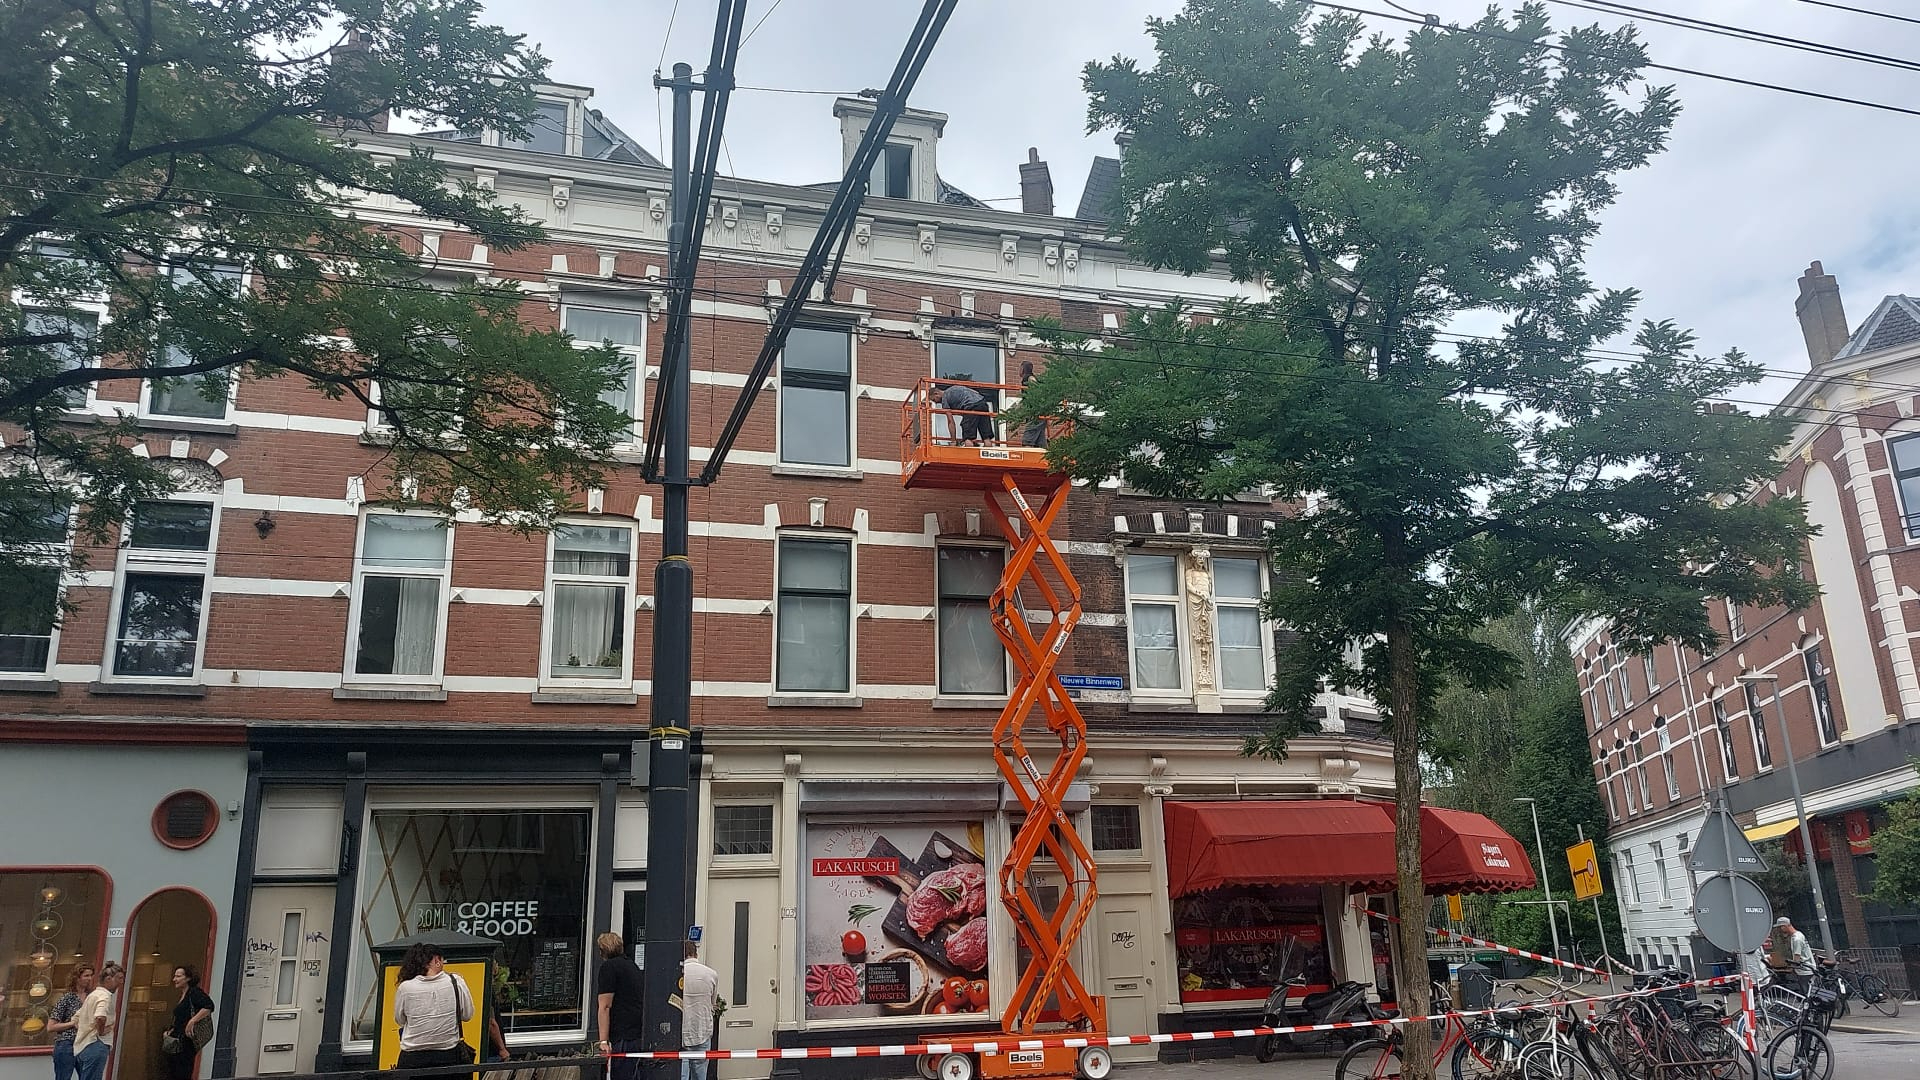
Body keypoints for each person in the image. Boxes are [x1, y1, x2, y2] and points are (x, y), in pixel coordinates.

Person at [391, 943, 474, 1080]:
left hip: (412, 1059)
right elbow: (467, 1015)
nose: (443, 964)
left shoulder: (405, 988)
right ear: (436, 960)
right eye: (442, 960)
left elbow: (400, 1020)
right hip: (448, 1056)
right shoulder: (456, 981)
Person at [594, 932, 644, 1080]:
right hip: (637, 1033)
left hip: (622, 1036)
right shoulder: (632, 966)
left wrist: (603, 1041)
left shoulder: (608, 968)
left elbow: (605, 1006)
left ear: (602, 951)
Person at [163, 965, 215, 1080]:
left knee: (182, 1072)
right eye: (174, 976)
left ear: (187, 978)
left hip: (186, 1041)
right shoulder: (183, 994)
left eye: (178, 976)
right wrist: (169, 1031)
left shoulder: (194, 993)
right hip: (176, 1039)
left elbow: (209, 1005)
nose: (174, 979)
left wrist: (192, 1021)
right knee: (173, 1071)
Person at [73, 963, 123, 1080]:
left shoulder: (92, 995)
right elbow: (100, 1016)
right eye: (119, 978)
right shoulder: (104, 997)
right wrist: (100, 1030)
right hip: (96, 1043)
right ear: (108, 979)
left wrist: (85, 1027)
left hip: (82, 1046)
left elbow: (76, 1019)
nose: (121, 982)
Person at [47, 966, 95, 1080]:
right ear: (77, 978)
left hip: (86, 1043)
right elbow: (51, 1027)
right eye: (86, 976)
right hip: (67, 1043)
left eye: (91, 975)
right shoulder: (67, 998)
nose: (90, 979)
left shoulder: (92, 997)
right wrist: (72, 1023)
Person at [679, 941, 718, 1080]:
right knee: (700, 1075)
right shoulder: (711, 974)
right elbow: (712, 1004)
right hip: (702, 1031)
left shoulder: (678, 974)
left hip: (682, 1033)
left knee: (682, 1074)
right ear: (696, 953)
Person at [932, 380, 994, 446]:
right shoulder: (954, 388)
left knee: (967, 437)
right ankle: (988, 452)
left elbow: (950, 421)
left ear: (936, 393)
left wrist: (953, 441)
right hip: (982, 403)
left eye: (934, 399)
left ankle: (969, 454)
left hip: (971, 406)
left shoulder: (945, 399)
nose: (935, 402)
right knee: (986, 437)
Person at [1774, 916, 1815, 991]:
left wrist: (1790, 969)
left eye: (1780, 927)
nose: (1779, 930)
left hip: (1804, 970)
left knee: (1805, 993)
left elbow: (1797, 957)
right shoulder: (1798, 935)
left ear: (1784, 926)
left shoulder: (1797, 939)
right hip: (1805, 969)